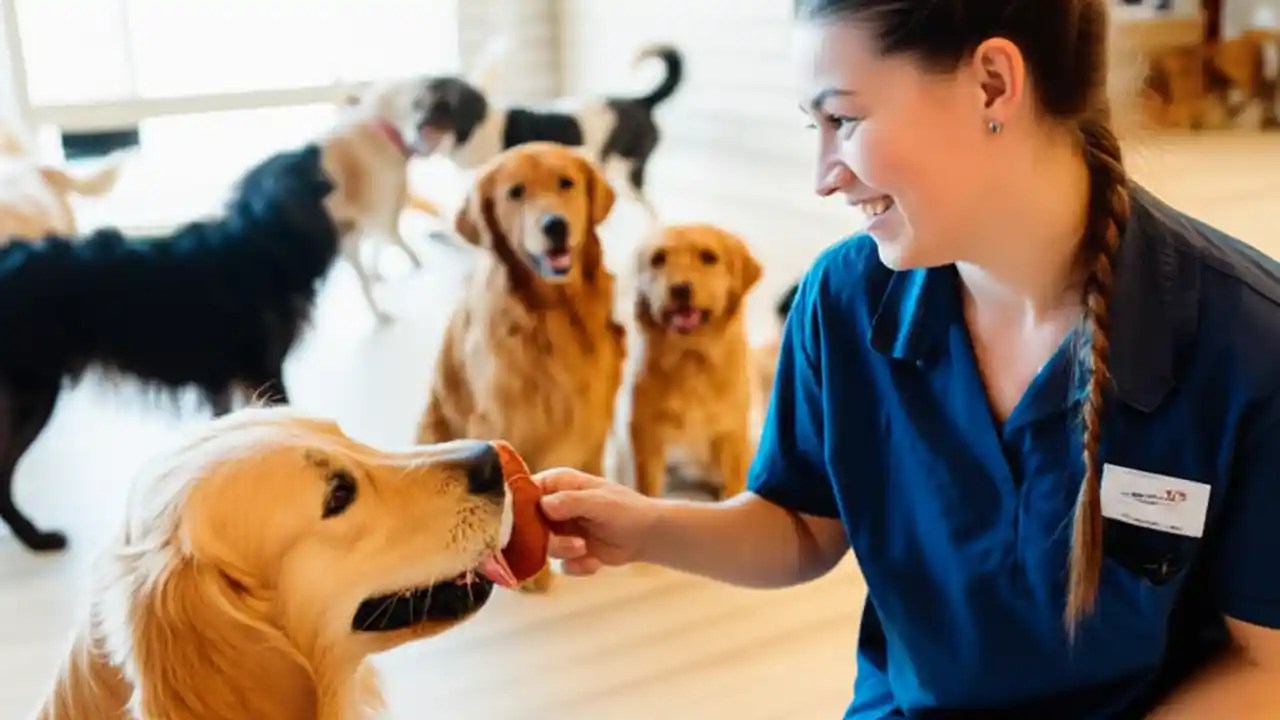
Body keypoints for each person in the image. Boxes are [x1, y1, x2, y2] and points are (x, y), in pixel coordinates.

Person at [533, 1, 1280, 718]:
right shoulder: (842, 300)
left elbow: (1265, 668)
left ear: (993, 83)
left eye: (845, 120)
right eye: (814, 128)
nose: (823, 174)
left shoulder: (1245, 340)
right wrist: (645, 527)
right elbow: (801, 524)